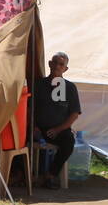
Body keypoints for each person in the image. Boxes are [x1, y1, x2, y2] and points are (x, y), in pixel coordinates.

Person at [33, 51, 81, 188]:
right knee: (18, 141)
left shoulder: (70, 88)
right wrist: (33, 126)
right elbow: (29, 109)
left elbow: (74, 114)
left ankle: (50, 175)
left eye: (61, 64)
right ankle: (22, 175)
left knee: (68, 141)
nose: (57, 66)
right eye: (55, 63)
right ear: (49, 64)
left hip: (59, 130)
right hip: (38, 129)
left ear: (65, 69)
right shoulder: (38, 85)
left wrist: (58, 129)